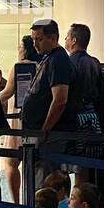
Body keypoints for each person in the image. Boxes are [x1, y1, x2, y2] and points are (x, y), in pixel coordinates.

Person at [21, 19, 79, 152]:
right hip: (39, 132)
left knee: (46, 165)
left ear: (53, 38)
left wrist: (44, 131)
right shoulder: (49, 58)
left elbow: (60, 100)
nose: (35, 44)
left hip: (51, 135)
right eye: (33, 39)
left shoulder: (58, 60)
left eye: (39, 39)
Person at [64, 23, 104, 186]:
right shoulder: (93, 62)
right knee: (86, 169)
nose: (65, 40)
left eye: (67, 37)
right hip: (93, 120)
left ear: (74, 40)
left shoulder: (69, 63)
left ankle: (75, 199)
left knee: (76, 168)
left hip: (75, 121)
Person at [0, 36, 36, 208]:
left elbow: (8, 92)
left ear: (25, 49)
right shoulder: (44, 64)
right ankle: (35, 205)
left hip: (17, 120)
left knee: (11, 162)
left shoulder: (19, 66)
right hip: (37, 121)